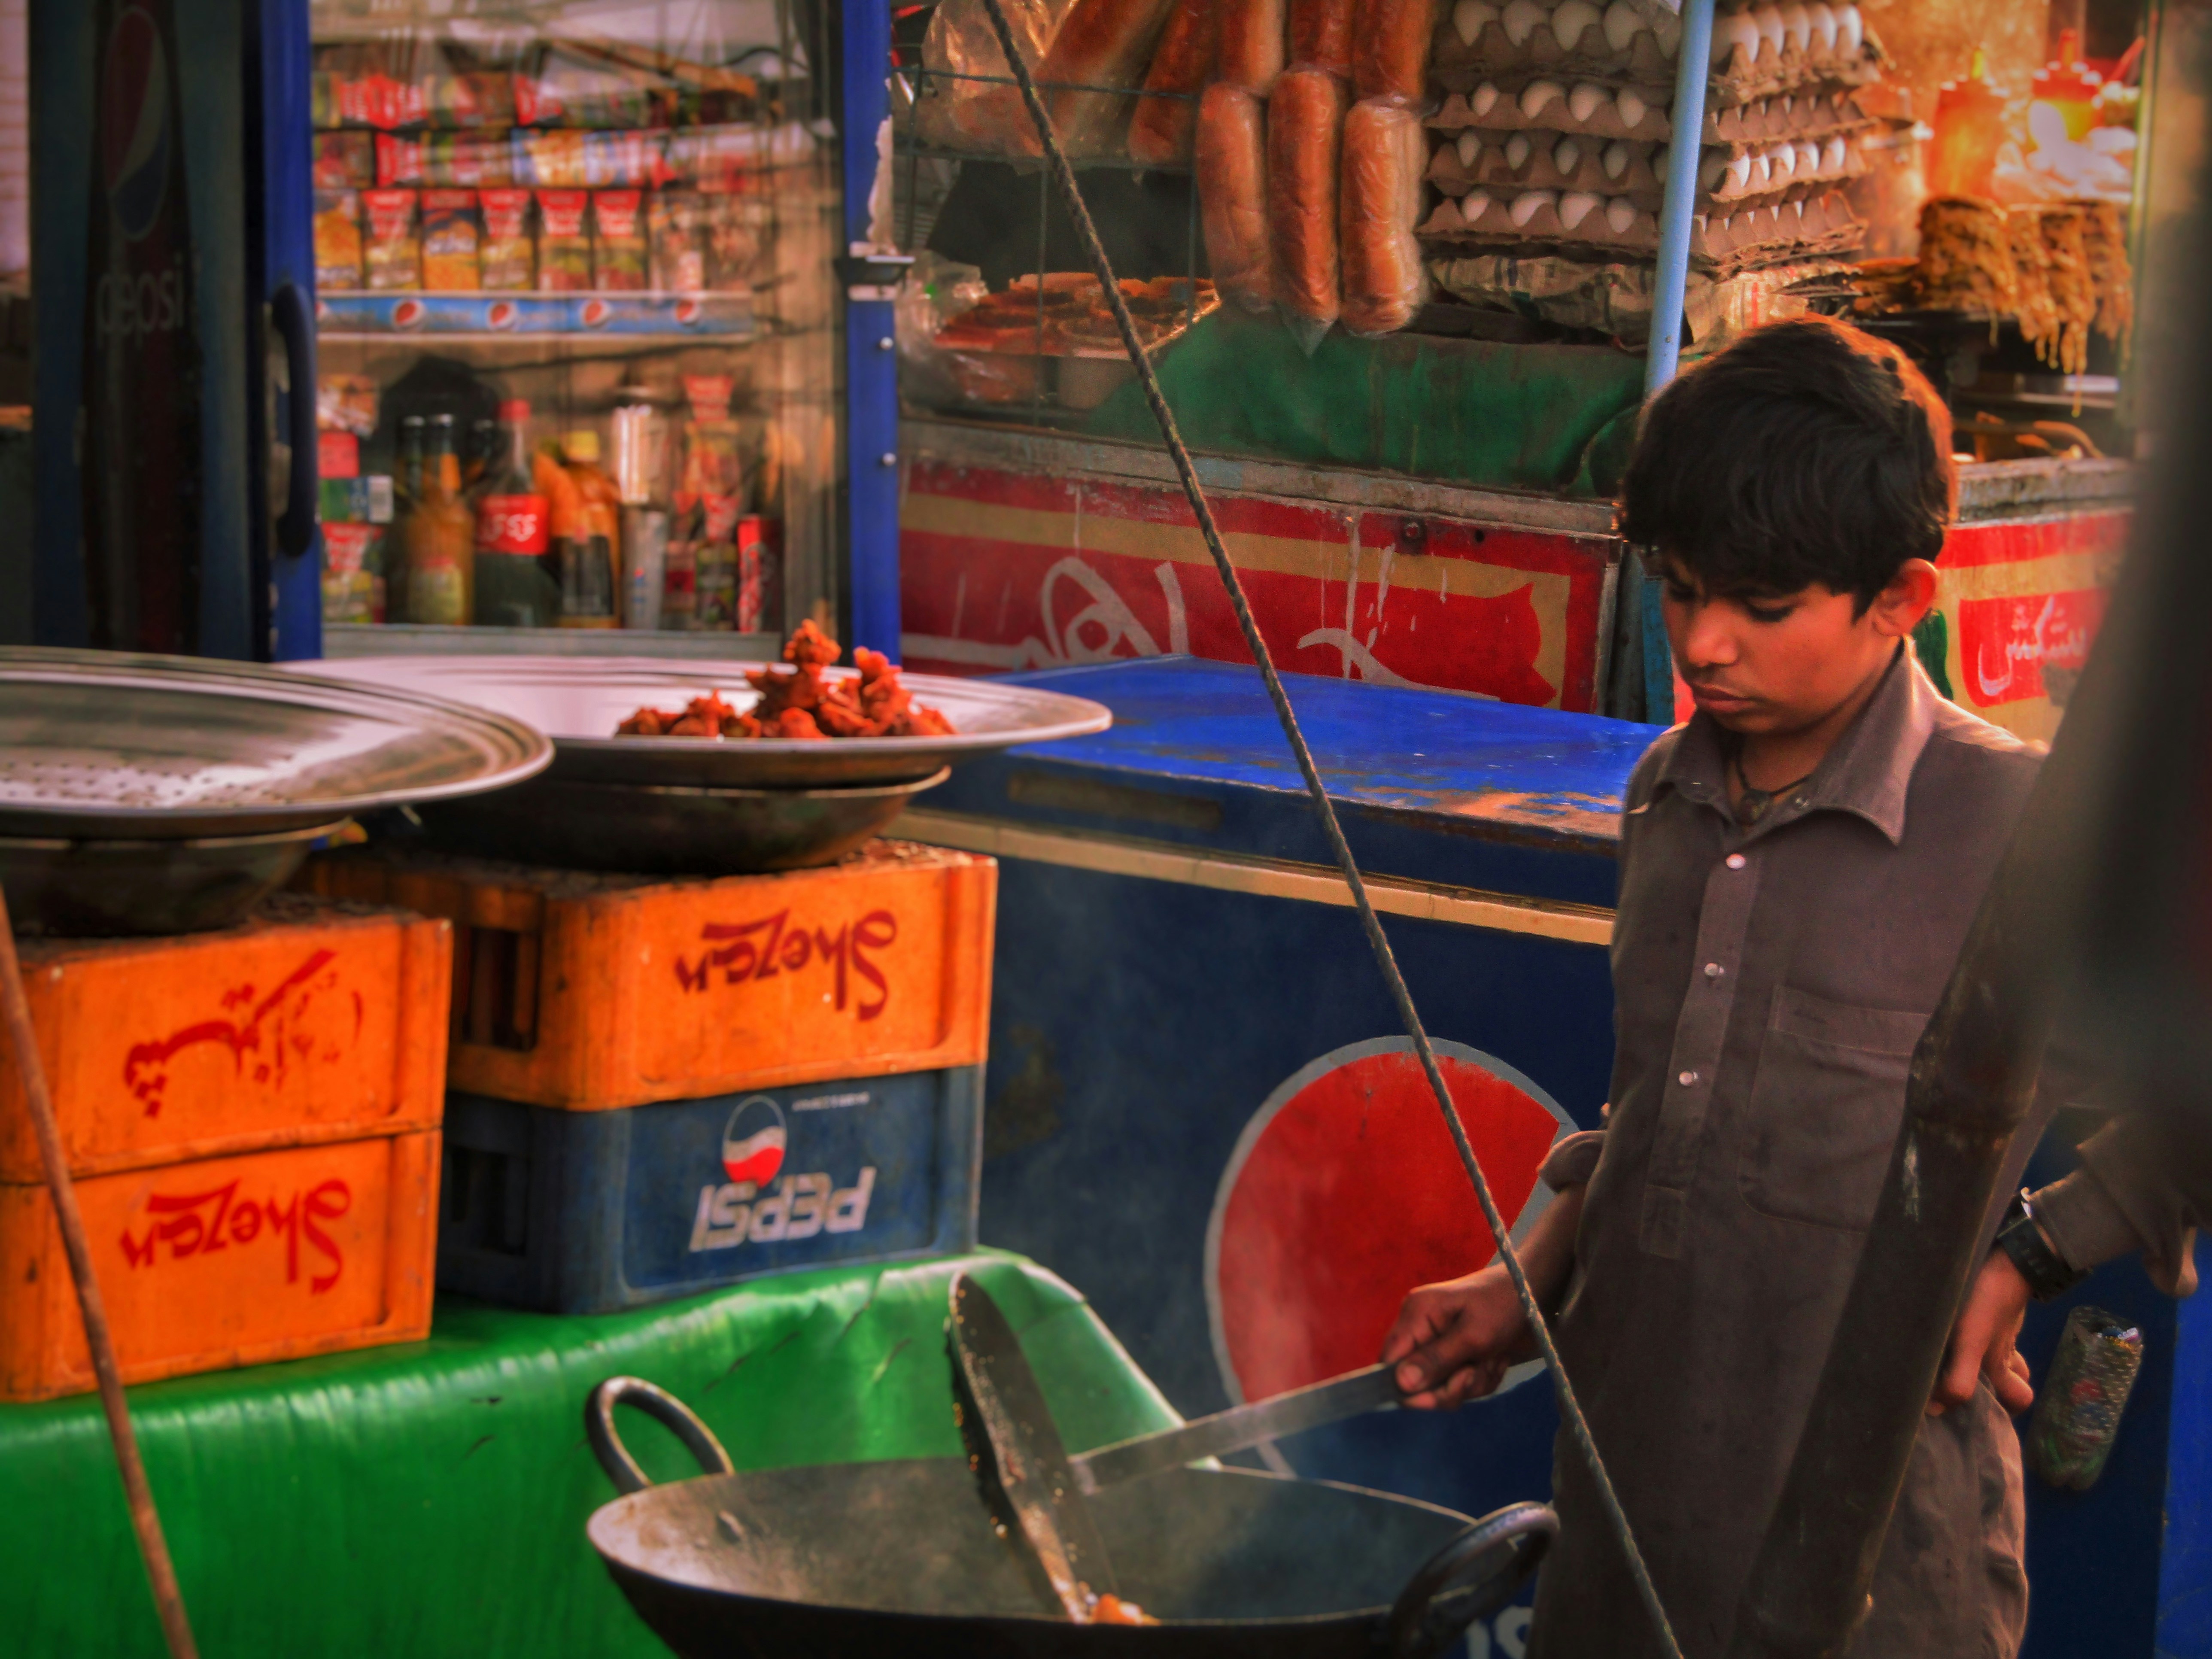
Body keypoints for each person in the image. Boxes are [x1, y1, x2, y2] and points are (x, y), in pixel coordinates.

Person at [1379, 315, 2193, 1659]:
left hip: (1884, 1569)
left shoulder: (2017, 829)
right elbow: (1654, 1110)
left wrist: (2029, 1256)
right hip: (1630, 1530)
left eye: (1762, 608)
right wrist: (1521, 1276)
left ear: (1901, 601)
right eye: (1678, 587)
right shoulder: (1667, 796)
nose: (1703, 645)